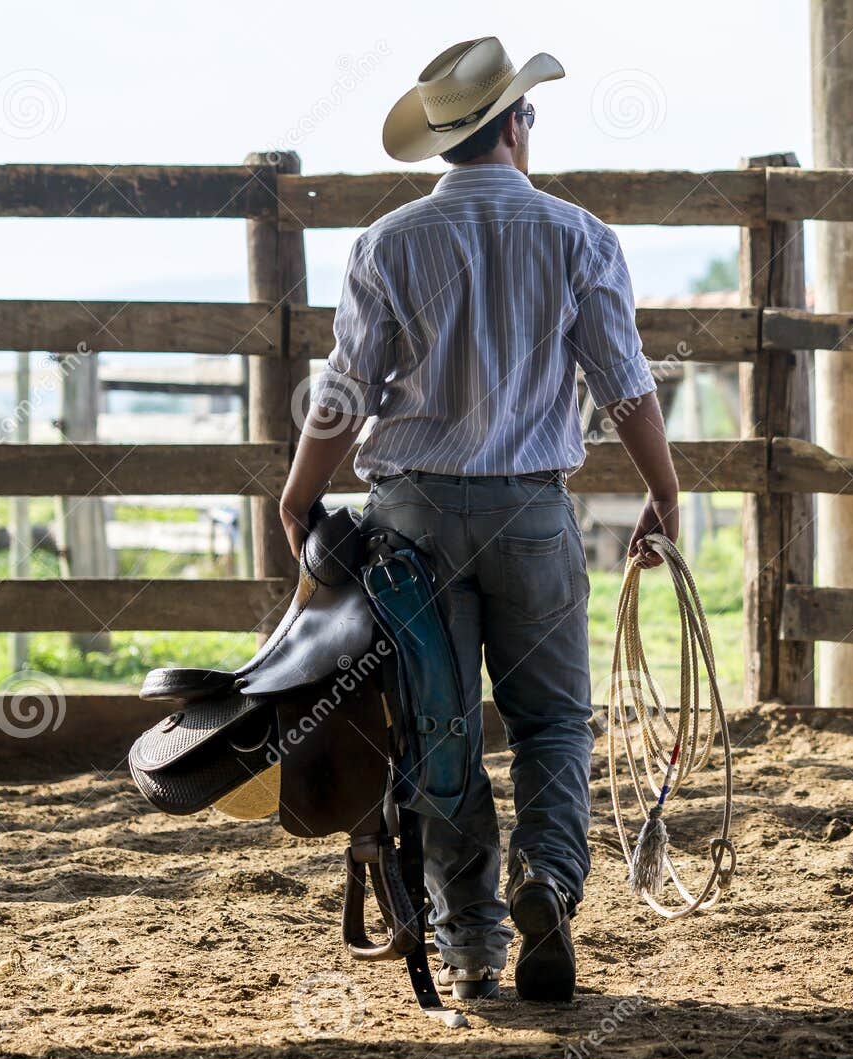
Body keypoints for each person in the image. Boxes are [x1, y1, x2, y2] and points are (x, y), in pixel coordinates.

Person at [277, 36, 679, 1003]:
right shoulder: (579, 236)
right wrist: (665, 492)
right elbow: (624, 387)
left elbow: (344, 393)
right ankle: (547, 876)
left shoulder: (387, 244)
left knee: (437, 729)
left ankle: (472, 947)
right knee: (551, 722)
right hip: (532, 512)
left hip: (411, 518)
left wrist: (299, 491)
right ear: (514, 125)